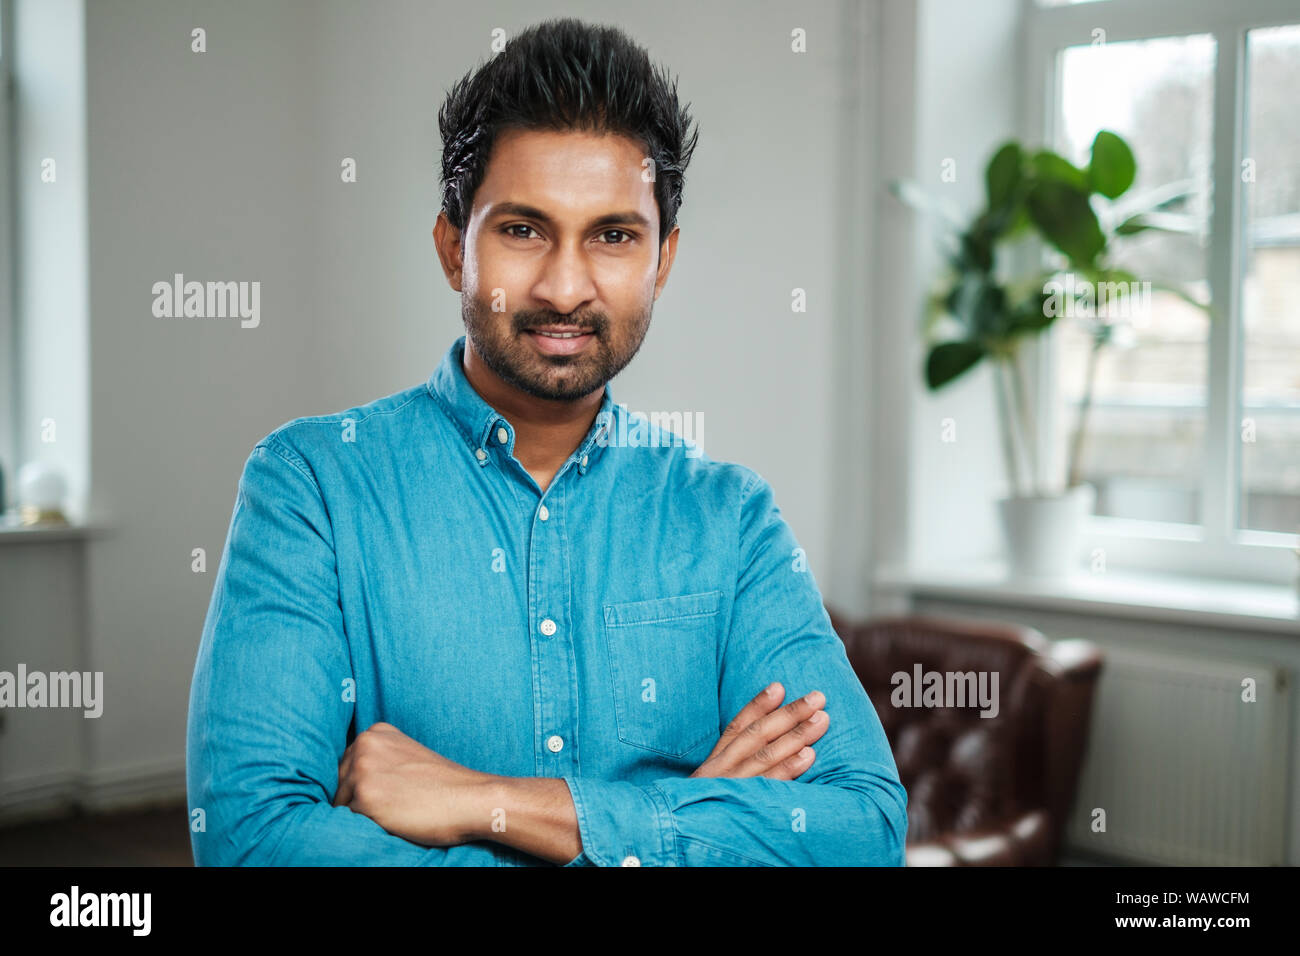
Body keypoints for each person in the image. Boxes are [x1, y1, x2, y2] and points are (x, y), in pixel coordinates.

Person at [186, 16, 906, 866]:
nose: (566, 287)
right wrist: (671, 824)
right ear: (455, 248)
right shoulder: (311, 485)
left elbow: (863, 833)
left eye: (613, 236)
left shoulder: (732, 519)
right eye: (523, 230)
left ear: (661, 261)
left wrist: (481, 803)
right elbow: (252, 844)